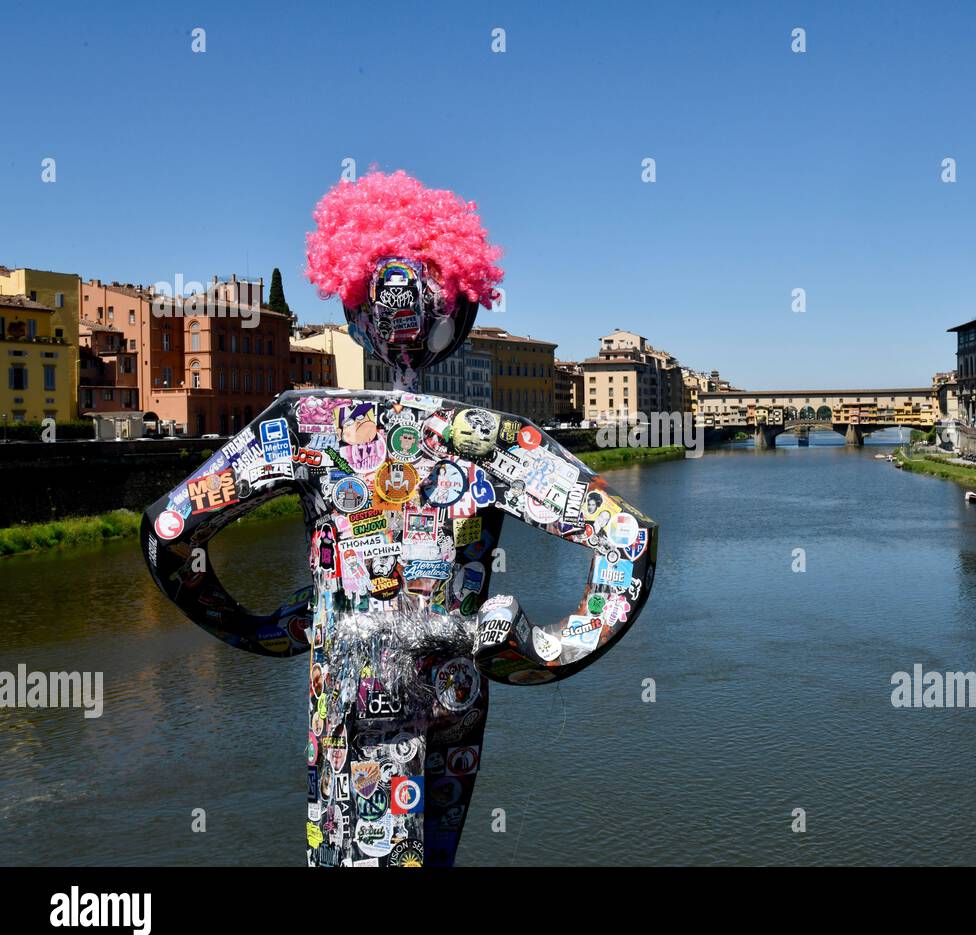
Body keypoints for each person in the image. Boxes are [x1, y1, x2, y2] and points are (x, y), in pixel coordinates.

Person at [140, 171, 658, 867]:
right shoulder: (493, 436)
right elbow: (627, 539)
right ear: (463, 310)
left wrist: (275, 631)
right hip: (455, 680)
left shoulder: (310, 423)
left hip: (349, 680)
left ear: (354, 309)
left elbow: (170, 532)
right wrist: (526, 650)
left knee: (353, 852)